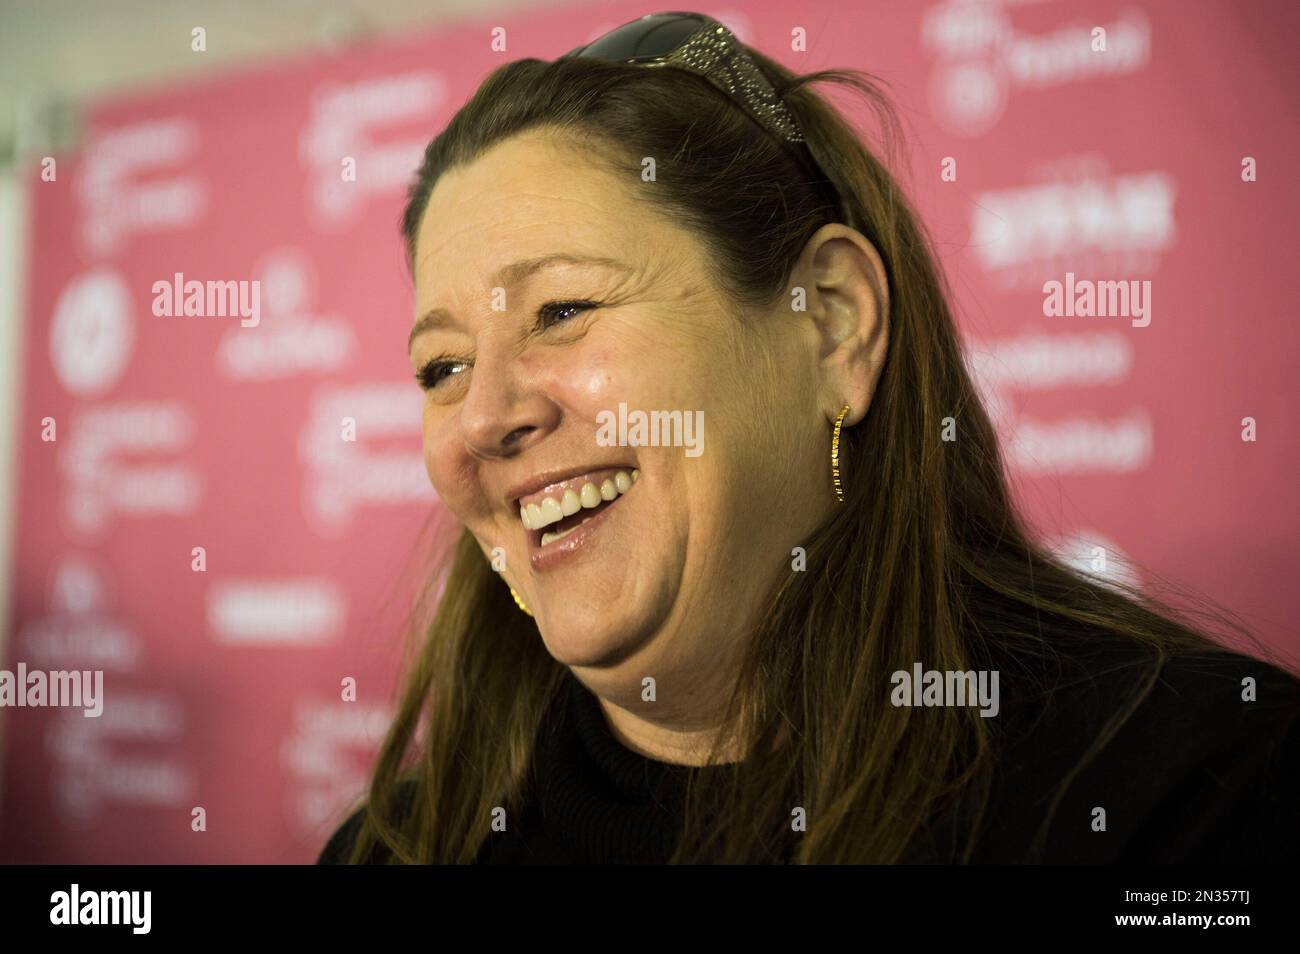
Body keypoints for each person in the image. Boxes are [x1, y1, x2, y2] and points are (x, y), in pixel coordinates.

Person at [318, 12, 1300, 864]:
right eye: (441, 368)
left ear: (829, 321)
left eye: (563, 308)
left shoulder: (1193, 791)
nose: (484, 419)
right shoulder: (389, 849)